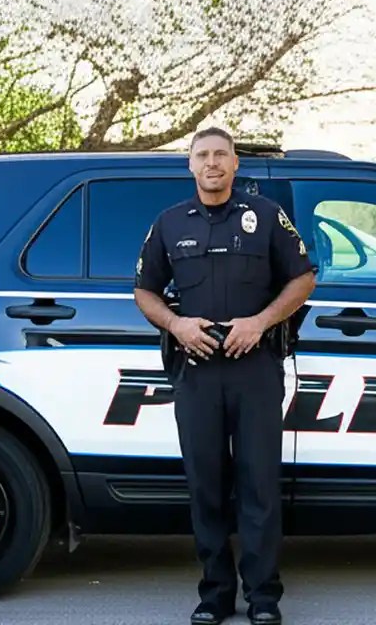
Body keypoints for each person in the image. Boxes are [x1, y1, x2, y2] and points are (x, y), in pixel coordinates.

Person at [133, 127, 316, 625]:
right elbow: (144, 291)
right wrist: (176, 324)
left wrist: (260, 323)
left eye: (221, 155)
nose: (212, 163)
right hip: (196, 371)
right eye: (202, 156)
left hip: (255, 368)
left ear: (235, 164)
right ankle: (214, 594)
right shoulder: (169, 223)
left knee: (258, 484)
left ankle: (262, 597)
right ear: (190, 166)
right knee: (205, 485)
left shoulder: (267, 217)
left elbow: (303, 278)